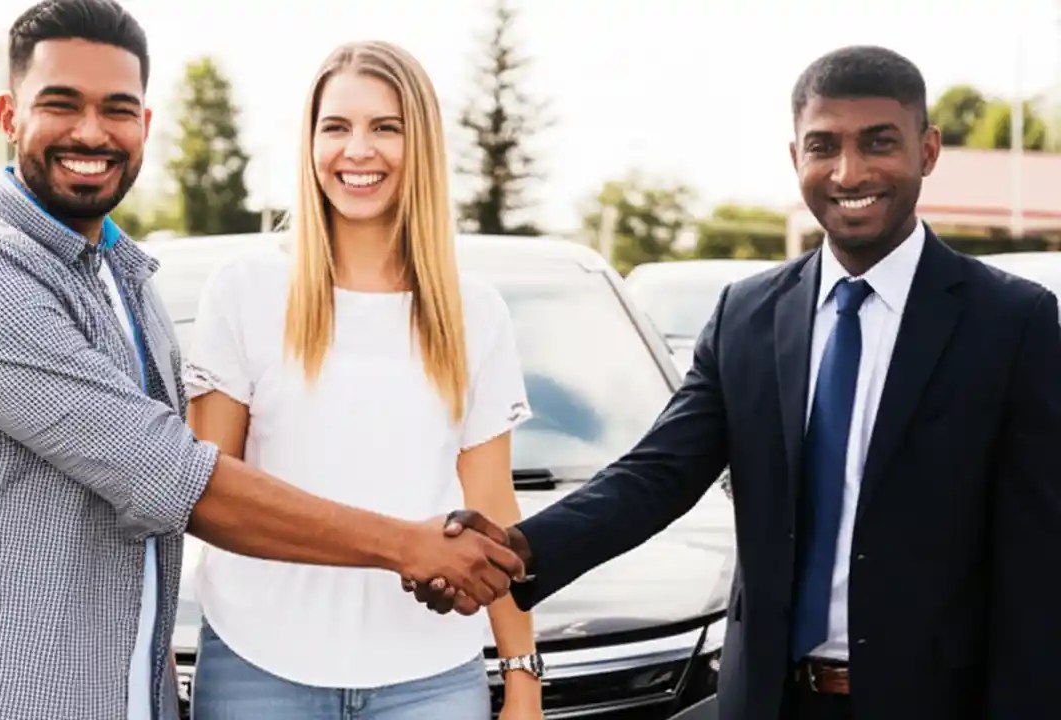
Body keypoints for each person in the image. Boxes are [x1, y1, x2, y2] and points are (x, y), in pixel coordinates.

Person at [0, 3, 523, 720]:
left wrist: (519, 665)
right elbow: (180, 478)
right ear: (8, 114)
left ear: (144, 126)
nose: (92, 131)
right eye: (61, 104)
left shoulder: (125, 280)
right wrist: (411, 546)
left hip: (128, 698)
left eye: (117, 109)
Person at [416, 46, 1061, 720]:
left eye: (879, 143)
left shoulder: (1010, 322)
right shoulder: (748, 317)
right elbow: (655, 476)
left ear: (927, 150)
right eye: (823, 146)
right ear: (795, 159)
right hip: (767, 701)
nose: (848, 171)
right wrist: (517, 551)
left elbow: (1039, 562)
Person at [180, 40, 543, 720]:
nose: (357, 150)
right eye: (336, 127)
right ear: (309, 142)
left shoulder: (476, 313)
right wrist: (396, 545)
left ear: (422, 146)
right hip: (260, 669)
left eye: (386, 127)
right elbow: (209, 497)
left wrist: (521, 674)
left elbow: (493, 504)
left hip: (432, 677)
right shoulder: (244, 292)